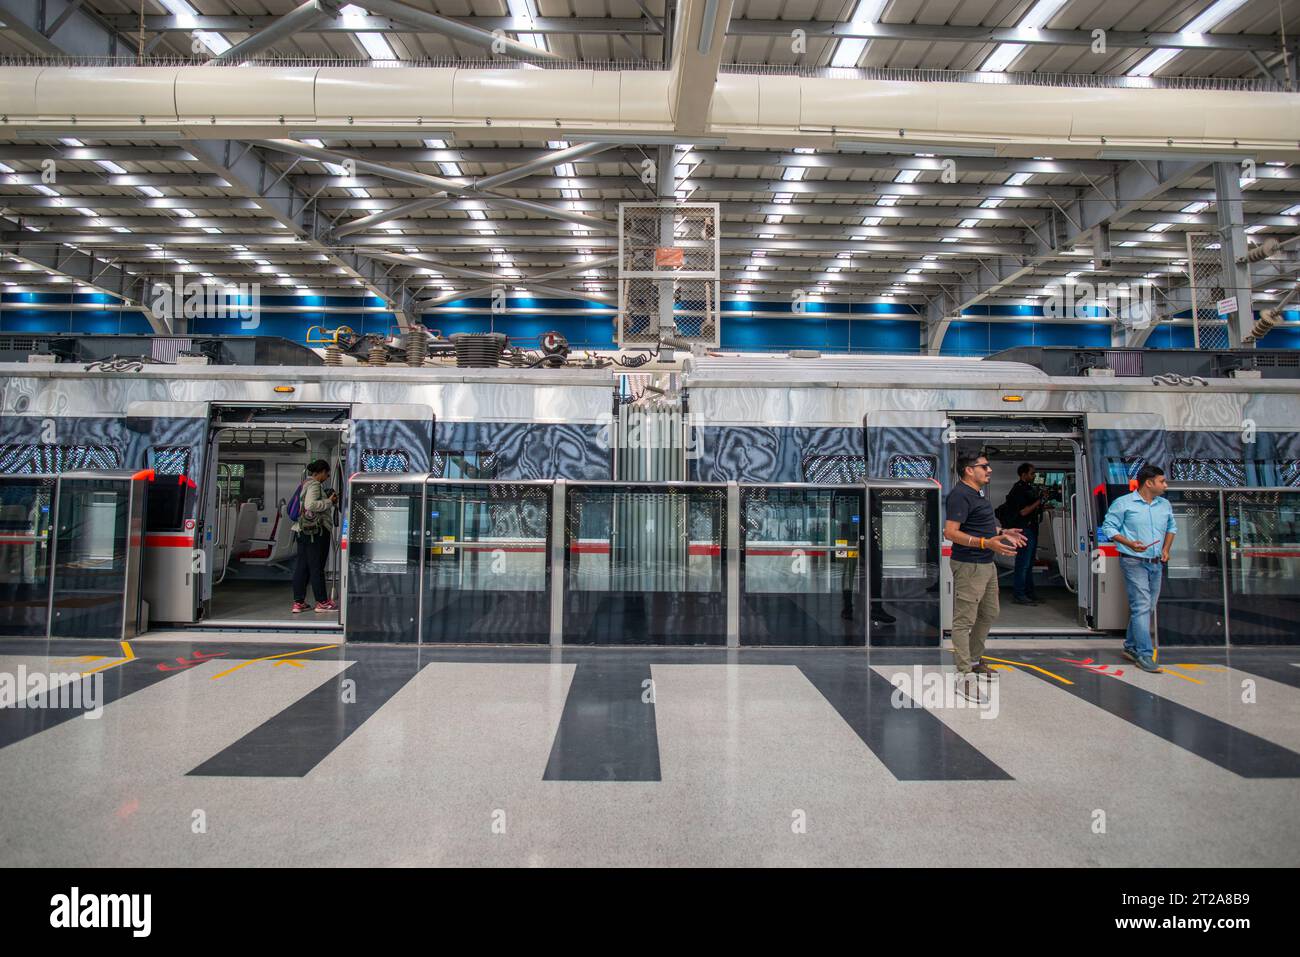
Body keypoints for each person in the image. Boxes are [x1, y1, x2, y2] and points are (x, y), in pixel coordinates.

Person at [944, 452, 1028, 702]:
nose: (989, 470)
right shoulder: (959, 495)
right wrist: (985, 542)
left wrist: (1002, 531)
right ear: (969, 470)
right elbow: (950, 532)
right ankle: (964, 675)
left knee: (990, 612)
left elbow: (978, 524)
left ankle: (974, 659)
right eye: (984, 466)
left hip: (985, 563)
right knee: (964, 619)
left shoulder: (977, 494)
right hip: (969, 565)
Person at [1099, 464, 1177, 674]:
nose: (1165, 485)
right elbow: (1109, 528)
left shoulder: (1164, 505)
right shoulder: (1123, 503)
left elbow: (1171, 528)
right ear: (1149, 483)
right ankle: (1144, 653)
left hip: (1155, 563)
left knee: (1147, 606)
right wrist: (1129, 543)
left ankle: (1131, 646)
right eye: (1162, 481)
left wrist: (1166, 549)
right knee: (1142, 605)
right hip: (1133, 560)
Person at [291, 459, 339, 614]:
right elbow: (310, 505)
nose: (327, 476)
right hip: (315, 532)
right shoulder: (315, 485)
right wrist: (329, 502)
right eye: (327, 473)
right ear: (321, 472)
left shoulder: (304, 483)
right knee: (317, 567)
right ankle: (322, 602)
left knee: (302, 567)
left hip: (302, 531)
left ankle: (298, 602)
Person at [1003, 463, 1046, 606]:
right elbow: (1023, 511)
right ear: (1023, 474)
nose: (1034, 476)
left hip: (1031, 528)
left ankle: (1029, 593)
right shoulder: (1019, 490)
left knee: (1029, 563)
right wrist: (1038, 501)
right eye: (1032, 473)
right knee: (1023, 564)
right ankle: (1019, 594)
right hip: (1024, 530)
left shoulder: (1027, 489)